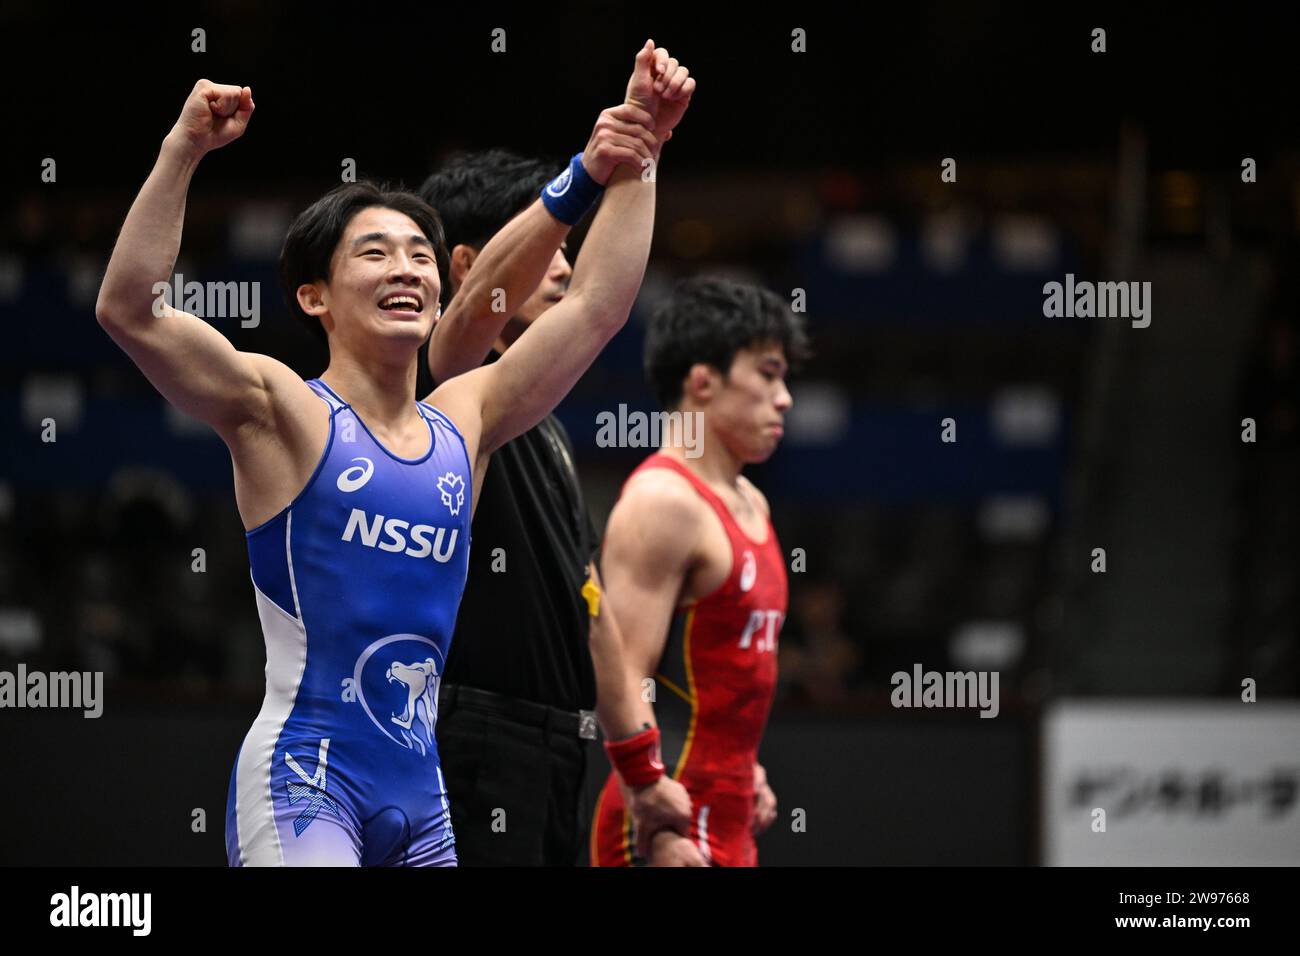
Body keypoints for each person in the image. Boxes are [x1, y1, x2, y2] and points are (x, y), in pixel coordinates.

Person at [94, 38, 680, 866]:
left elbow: (597, 308)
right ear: (314, 296)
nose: (406, 268)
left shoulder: (467, 422)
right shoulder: (282, 410)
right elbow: (131, 311)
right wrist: (181, 149)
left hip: (420, 793)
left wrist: (643, 149)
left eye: (418, 255)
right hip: (306, 779)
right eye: (374, 253)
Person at [416, 46, 695, 865]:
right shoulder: (443, 388)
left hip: (555, 753)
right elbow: (551, 307)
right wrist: (592, 170)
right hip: (465, 740)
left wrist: (642, 776)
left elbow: (592, 609)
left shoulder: (542, 426)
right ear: (470, 266)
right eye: (554, 248)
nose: (567, 267)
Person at [589, 277, 809, 866]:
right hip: (666, 821)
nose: (784, 396)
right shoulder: (663, 501)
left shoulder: (751, 503)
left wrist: (746, 767)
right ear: (703, 381)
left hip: (731, 813)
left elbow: (721, 678)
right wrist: (653, 816)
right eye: (767, 373)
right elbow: (624, 672)